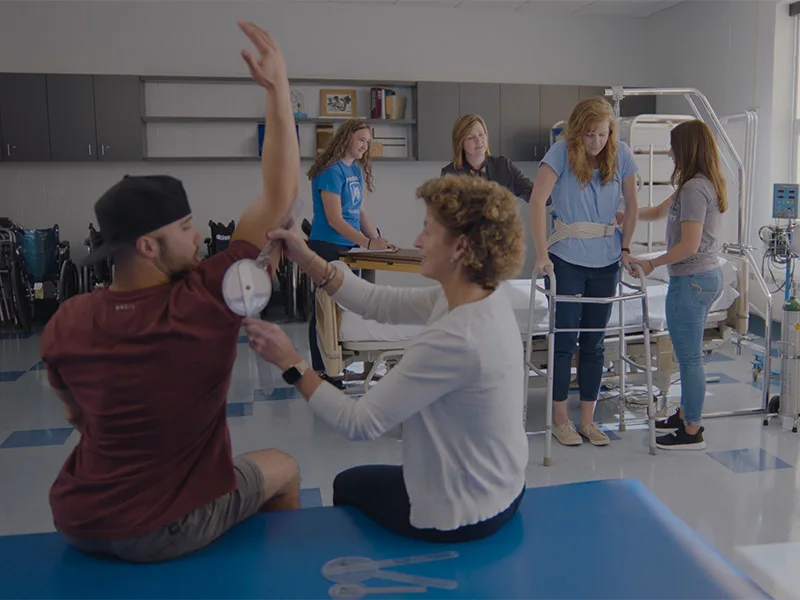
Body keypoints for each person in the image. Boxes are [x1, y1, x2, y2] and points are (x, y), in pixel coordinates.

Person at [38, 22, 302, 563]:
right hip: (166, 527)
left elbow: (75, 414)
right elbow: (280, 191)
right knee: (283, 467)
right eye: (184, 227)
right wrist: (278, 90)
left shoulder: (67, 318)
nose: (197, 233)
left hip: (78, 519)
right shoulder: (203, 301)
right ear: (147, 246)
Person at [244, 174, 529, 543]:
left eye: (428, 231)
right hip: (504, 484)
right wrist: (305, 256)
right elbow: (379, 302)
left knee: (347, 485)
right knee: (364, 481)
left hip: (466, 510)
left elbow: (359, 422)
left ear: (460, 247)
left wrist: (290, 362)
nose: (417, 241)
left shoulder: (458, 337)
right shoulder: (480, 294)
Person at [528, 96, 639, 448]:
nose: (596, 142)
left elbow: (633, 205)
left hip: (606, 260)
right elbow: (536, 201)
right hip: (566, 260)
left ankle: (588, 421)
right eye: (589, 134)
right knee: (564, 342)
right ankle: (560, 420)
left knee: (594, 343)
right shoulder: (560, 152)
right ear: (578, 131)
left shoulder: (621, 154)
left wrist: (626, 248)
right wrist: (541, 254)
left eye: (602, 134)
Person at [629, 120, 726, 450]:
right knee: (689, 355)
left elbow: (689, 245)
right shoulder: (697, 184)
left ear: (687, 148)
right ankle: (685, 414)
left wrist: (651, 263)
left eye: (673, 146)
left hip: (692, 281)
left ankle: (692, 430)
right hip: (700, 279)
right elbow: (659, 211)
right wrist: (624, 216)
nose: (670, 152)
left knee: (690, 359)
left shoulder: (694, 189)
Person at [306, 118, 392, 380]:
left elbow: (359, 213)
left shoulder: (353, 170)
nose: (365, 146)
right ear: (346, 139)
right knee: (326, 310)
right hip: (327, 246)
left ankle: (341, 365)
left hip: (349, 247)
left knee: (346, 308)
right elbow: (334, 219)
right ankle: (322, 369)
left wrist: (377, 239)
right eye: (361, 140)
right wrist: (367, 243)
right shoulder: (330, 172)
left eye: (368, 141)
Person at [441, 114, 534, 202]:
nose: (479, 141)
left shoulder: (503, 166)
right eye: (471, 137)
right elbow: (443, 209)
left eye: (481, 134)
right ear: (460, 143)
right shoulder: (450, 173)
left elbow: (533, 193)